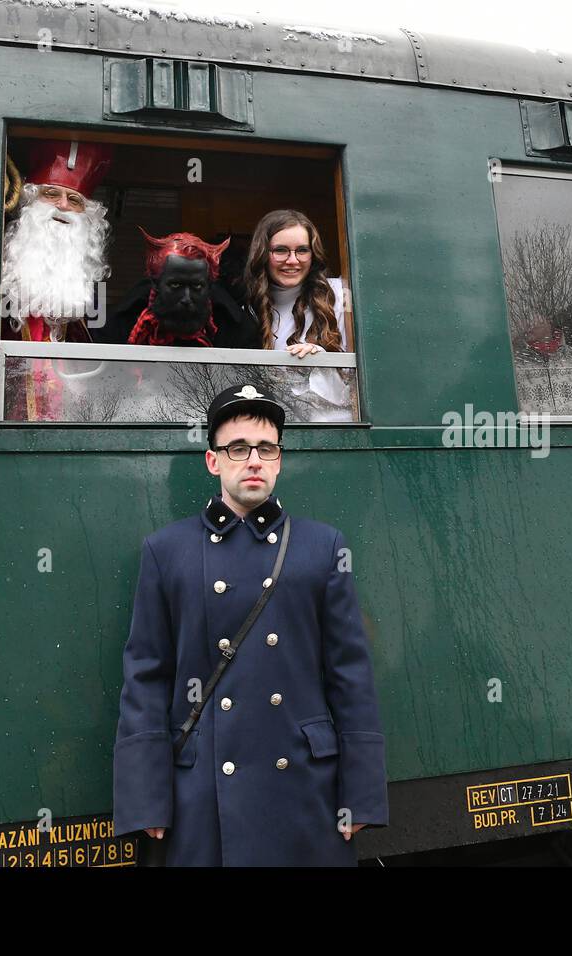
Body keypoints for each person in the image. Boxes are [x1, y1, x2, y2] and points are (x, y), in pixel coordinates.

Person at [112, 384, 387, 865]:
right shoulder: (166, 550)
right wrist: (144, 797)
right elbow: (146, 677)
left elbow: (351, 675)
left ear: (280, 461)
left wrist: (361, 792)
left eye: (267, 448)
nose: (254, 460)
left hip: (304, 789)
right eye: (238, 448)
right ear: (213, 461)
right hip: (201, 794)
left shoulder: (323, 547)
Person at [0, 138, 114, 420]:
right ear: (32, 200)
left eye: (74, 200)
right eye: (51, 194)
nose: (62, 205)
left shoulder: (87, 296)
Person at [243, 210, 355, 421]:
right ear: (262, 253)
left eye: (302, 250)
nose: (292, 260)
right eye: (281, 250)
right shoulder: (250, 309)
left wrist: (320, 361)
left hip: (338, 429)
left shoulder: (340, 295)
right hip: (277, 433)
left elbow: (360, 383)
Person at [98, 229, 260, 348]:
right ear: (156, 284)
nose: (186, 298)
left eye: (196, 286)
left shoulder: (236, 329)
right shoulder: (119, 325)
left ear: (209, 287)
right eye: (175, 285)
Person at [511, 311, 572, 416]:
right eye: (522, 319)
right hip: (534, 431)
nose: (527, 323)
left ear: (548, 320)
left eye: (530, 317)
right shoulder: (514, 360)